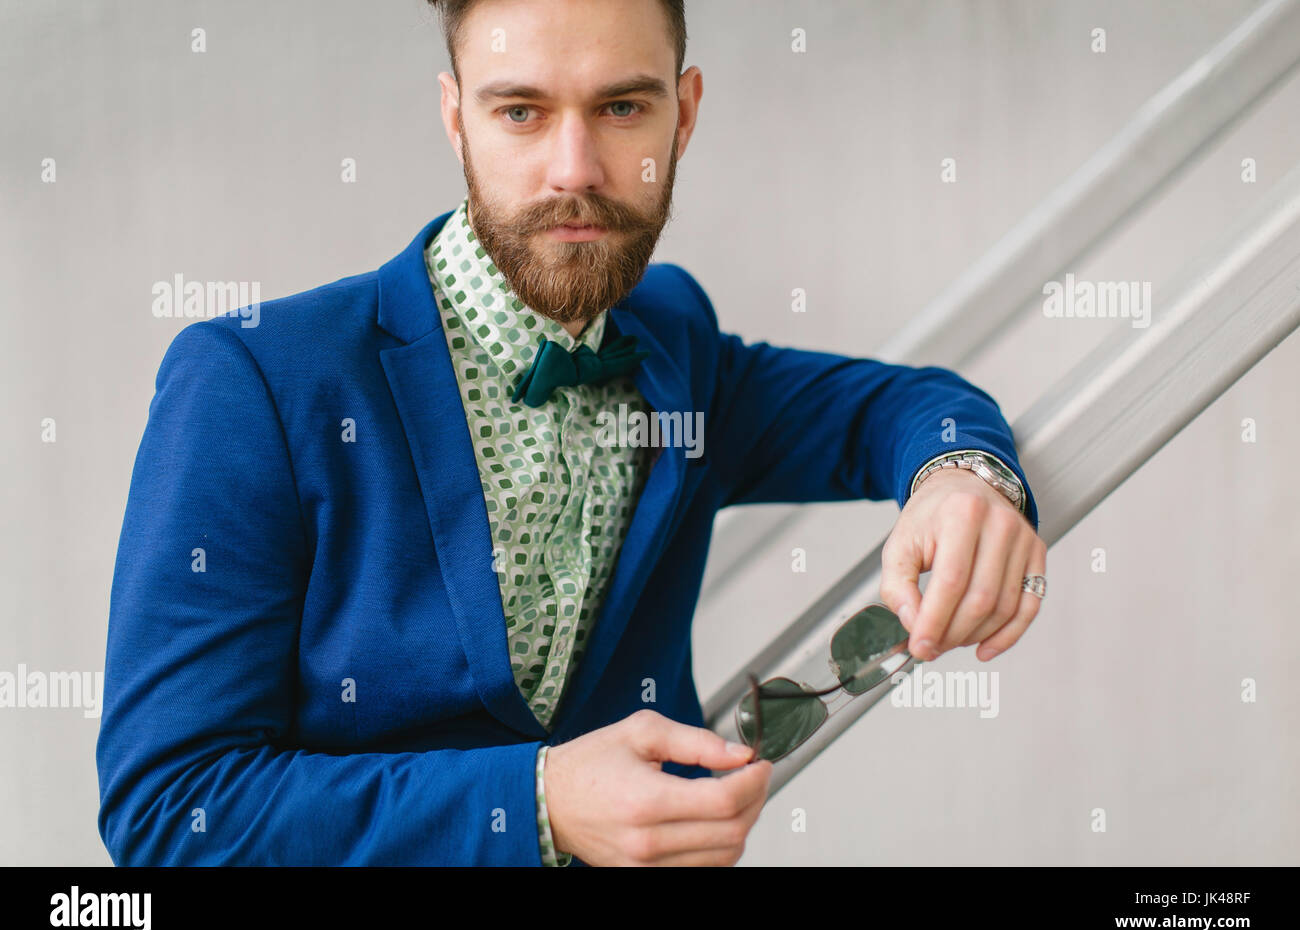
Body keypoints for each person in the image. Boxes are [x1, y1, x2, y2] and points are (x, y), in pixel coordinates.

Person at [96, 0, 1047, 867]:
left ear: (686, 112)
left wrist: (962, 478)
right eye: (521, 112)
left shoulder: (676, 338)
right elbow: (171, 812)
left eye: (623, 108)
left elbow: (898, 408)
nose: (576, 172)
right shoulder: (252, 379)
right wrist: (533, 801)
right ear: (454, 114)